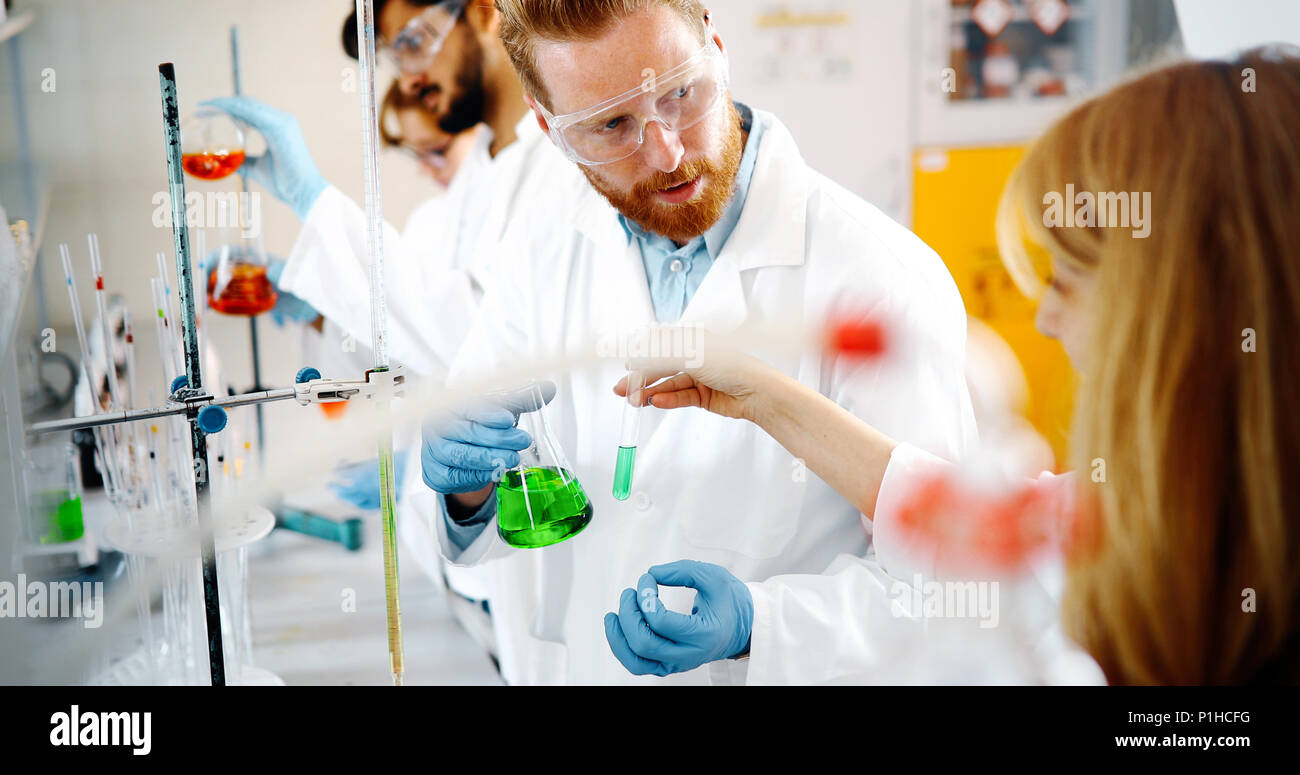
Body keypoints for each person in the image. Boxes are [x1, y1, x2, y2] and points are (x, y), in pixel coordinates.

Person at [605, 49, 1300, 685]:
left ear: (1185, 297)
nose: (1046, 319)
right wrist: (762, 395)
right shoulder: (1157, 501)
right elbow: (976, 525)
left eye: (1067, 278)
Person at [420, 0, 978, 684]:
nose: (667, 151)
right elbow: (496, 512)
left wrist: (761, 625)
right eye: (611, 125)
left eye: (681, 93)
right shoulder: (542, 247)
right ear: (548, 127)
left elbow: (951, 591)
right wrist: (465, 490)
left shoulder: (879, 279)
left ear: (715, 44)